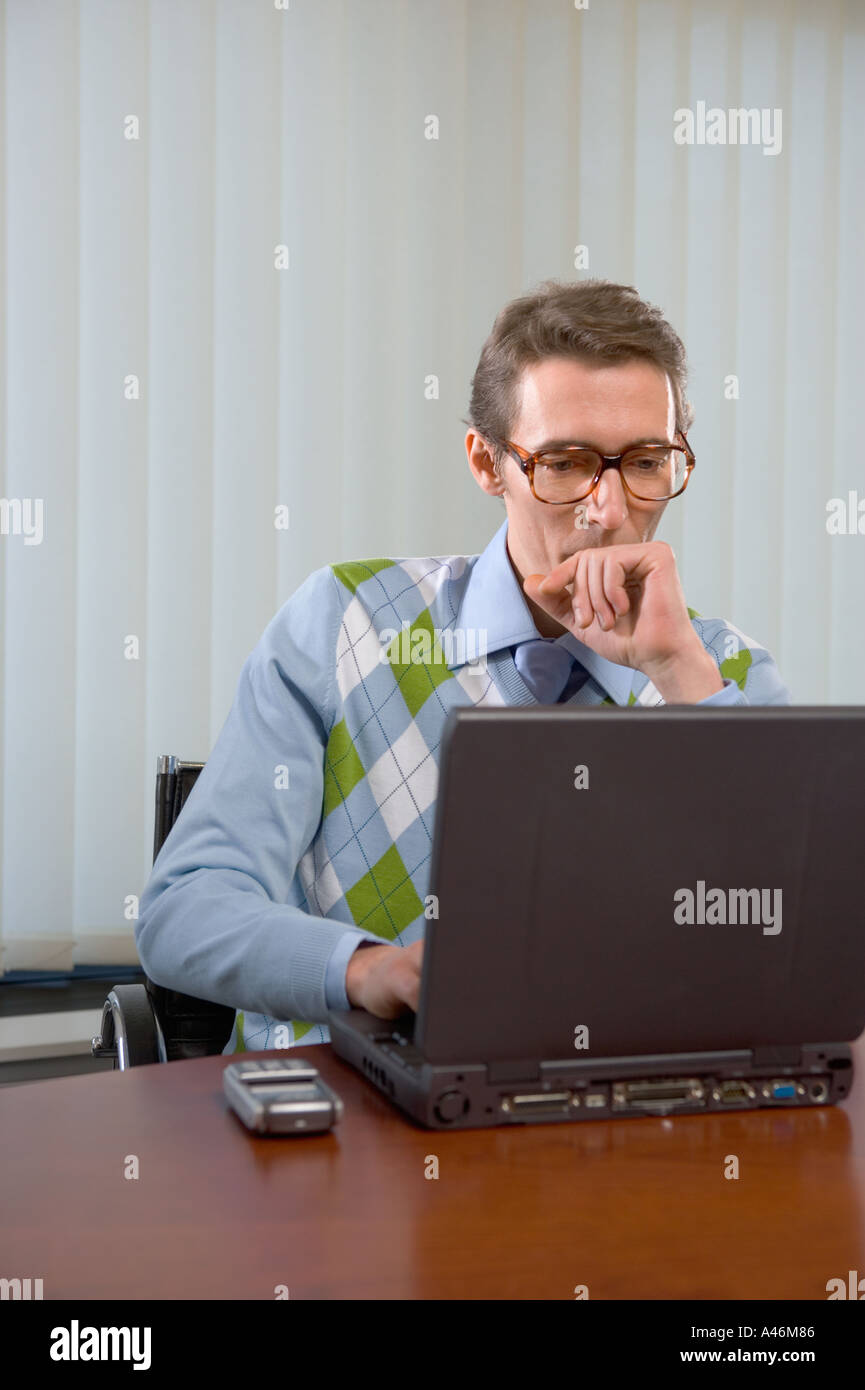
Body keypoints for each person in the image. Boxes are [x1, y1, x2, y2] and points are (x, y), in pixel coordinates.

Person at [136, 278, 789, 1054]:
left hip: (629, 1104)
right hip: (345, 1101)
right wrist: (368, 971)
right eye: (565, 462)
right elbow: (184, 910)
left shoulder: (725, 673)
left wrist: (679, 674)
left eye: (646, 461)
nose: (610, 510)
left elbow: (787, 932)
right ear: (487, 462)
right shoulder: (344, 621)